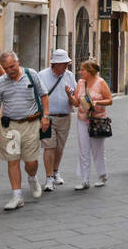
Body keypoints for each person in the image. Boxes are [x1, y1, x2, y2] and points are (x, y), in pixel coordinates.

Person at [0, 51, 50, 211]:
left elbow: (44, 95)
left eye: (12, 66)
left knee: (31, 162)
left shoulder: (31, 74)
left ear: (18, 62)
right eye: (6, 68)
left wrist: (45, 116)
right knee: (13, 160)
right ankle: (17, 196)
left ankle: (31, 177)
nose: (9, 71)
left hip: (30, 124)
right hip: (10, 127)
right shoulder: (1, 82)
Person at [40, 49, 78, 191]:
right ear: (55, 64)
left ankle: (55, 171)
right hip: (47, 117)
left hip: (65, 117)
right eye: (64, 64)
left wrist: (69, 95)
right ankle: (49, 177)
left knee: (59, 147)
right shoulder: (42, 75)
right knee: (48, 146)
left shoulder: (69, 76)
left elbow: (75, 99)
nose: (66, 66)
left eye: (67, 64)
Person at [73, 59, 113, 189]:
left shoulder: (101, 83)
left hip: (97, 120)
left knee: (97, 150)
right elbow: (76, 102)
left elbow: (110, 100)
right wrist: (69, 95)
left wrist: (98, 103)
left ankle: (102, 175)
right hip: (82, 119)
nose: (80, 72)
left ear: (90, 71)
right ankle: (85, 180)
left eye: (82, 70)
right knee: (83, 150)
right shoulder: (80, 83)